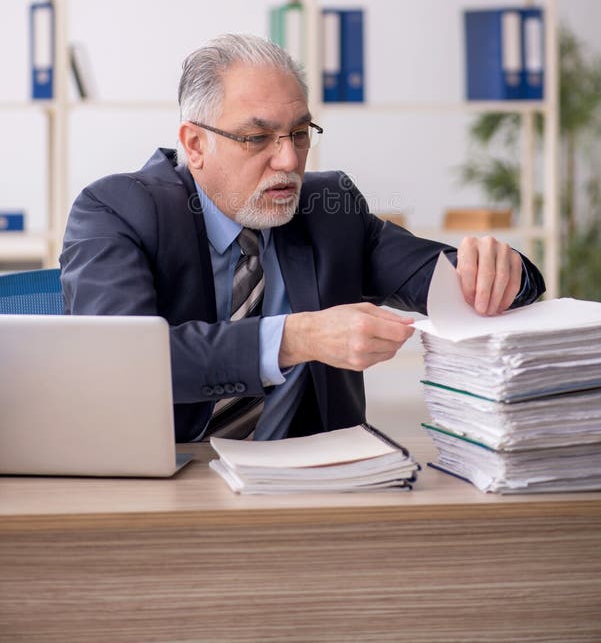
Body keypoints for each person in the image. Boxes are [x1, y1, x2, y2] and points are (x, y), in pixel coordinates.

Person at [60, 33, 545, 442]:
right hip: (162, 472)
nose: (290, 161)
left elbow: (440, 278)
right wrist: (298, 337)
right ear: (195, 144)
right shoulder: (116, 210)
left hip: (311, 482)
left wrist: (503, 270)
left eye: (299, 133)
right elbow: (121, 361)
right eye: (257, 138)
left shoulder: (327, 207)